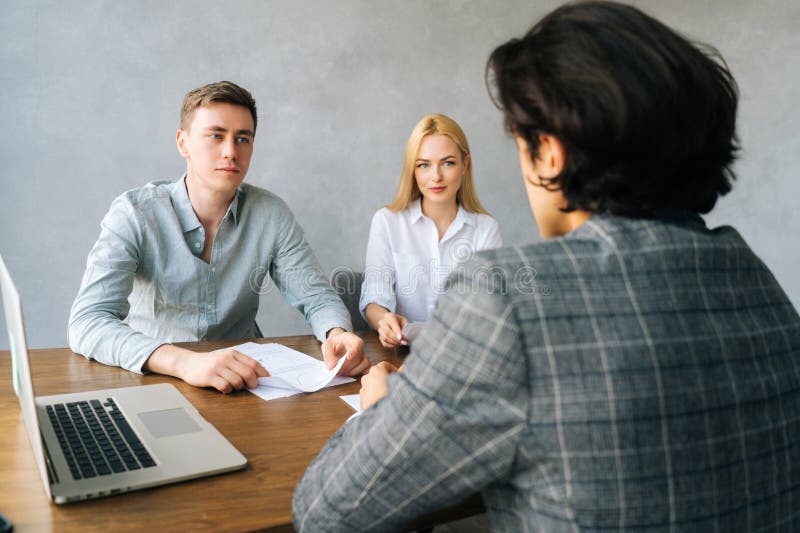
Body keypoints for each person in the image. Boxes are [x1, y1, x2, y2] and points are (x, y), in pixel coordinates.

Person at [293, 2, 800, 531]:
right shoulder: (758, 282)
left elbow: (327, 512)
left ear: (549, 154)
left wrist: (380, 413)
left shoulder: (503, 299)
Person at [68, 81, 369, 394]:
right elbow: (88, 321)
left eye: (243, 139)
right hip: (152, 377)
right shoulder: (134, 213)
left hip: (242, 385)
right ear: (183, 143)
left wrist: (337, 333)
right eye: (216, 136)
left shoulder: (270, 214)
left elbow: (317, 297)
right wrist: (184, 362)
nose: (230, 152)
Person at [360, 114, 501, 348]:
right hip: (402, 355)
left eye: (448, 163)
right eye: (424, 165)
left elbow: (486, 309)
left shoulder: (485, 229)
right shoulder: (387, 222)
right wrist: (385, 321)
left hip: (463, 352)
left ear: (465, 165)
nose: (436, 176)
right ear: (412, 170)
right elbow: (374, 299)